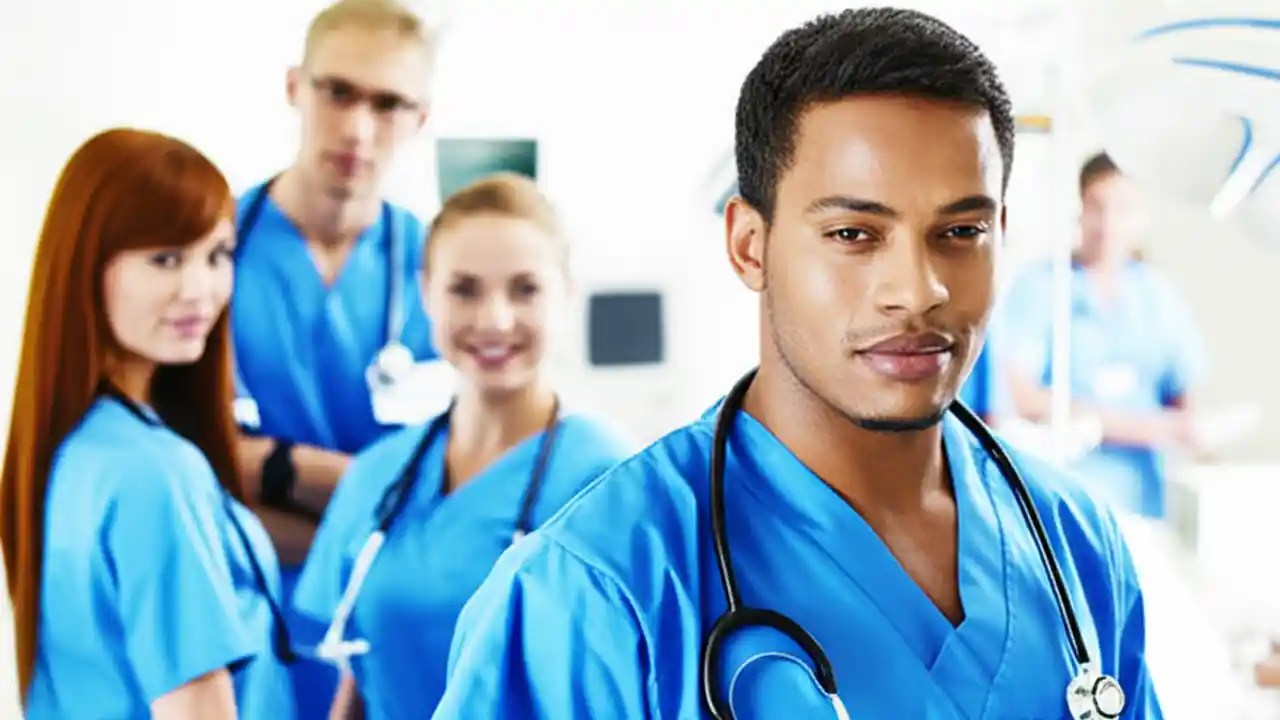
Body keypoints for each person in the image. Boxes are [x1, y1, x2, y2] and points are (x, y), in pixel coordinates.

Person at [432, 9, 1162, 719]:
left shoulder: (1074, 544)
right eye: (853, 233)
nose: (918, 290)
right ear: (750, 245)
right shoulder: (594, 591)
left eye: (961, 231)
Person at [292, 172, 633, 718]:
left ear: (566, 294)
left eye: (525, 289)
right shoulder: (378, 476)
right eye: (464, 289)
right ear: (426, 292)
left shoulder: (611, 479)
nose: (494, 320)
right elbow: (359, 679)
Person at [0, 128, 294, 719]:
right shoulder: (155, 472)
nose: (200, 289)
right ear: (88, 264)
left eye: (217, 255)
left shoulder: (73, 451)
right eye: (166, 259)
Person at [229, 0, 440, 711]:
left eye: (388, 103)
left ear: (420, 118)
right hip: (244, 623)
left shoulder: (443, 271)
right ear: (295, 86)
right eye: (338, 91)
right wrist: (368, 499)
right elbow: (200, 483)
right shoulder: (209, 253)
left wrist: (273, 470)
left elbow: (445, 498)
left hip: (391, 645)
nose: (358, 127)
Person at [997, 151, 1208, 519]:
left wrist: (1187, 427)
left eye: (1123, 208)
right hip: (1067, 492)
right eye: (1097, 206)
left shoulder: (1155, 294)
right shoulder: (1043, 286)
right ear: (1079, 209)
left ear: (1142, 216)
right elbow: (1021, 396)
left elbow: (1187, 391)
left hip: (1143, 499)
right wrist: (1141, 427)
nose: (1109, 223)